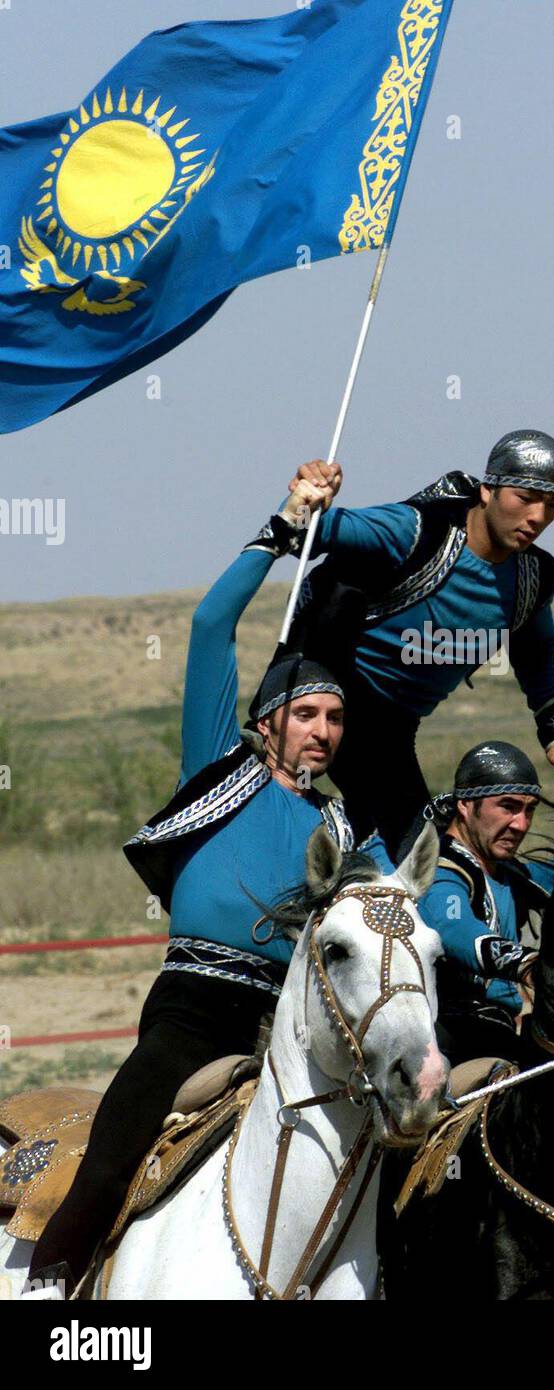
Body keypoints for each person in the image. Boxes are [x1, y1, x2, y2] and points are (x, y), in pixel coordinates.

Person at [23, 489, 352, 1300]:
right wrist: (280, 530)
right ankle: (49, 1280)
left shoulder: (345, 829)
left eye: (335, 719)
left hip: (286, 1021)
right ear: (268, 721)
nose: (321, 730)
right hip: (190, 1012)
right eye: (305, 713)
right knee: (114, 1152)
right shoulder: (220, 771)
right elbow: (211, 626)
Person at [275, 430, 554, 857]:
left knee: (419, 860)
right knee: (279, 822)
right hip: (317, 701)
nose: (538, 517)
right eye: (525, 498)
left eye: (553, 505)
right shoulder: (416, 531)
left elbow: (538, 651)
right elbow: (303, 534)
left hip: (390, 731)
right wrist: (307, 498)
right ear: (488, 490)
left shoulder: (533, 579)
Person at [366, 741, 554, 1066]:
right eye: (508, 806)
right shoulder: (440, 867)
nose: (522, 824)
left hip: (498, 1034)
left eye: (529, 810)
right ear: (465, 805)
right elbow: (453, 926)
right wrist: (524, 963)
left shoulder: (510, 872)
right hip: (446, 1036)